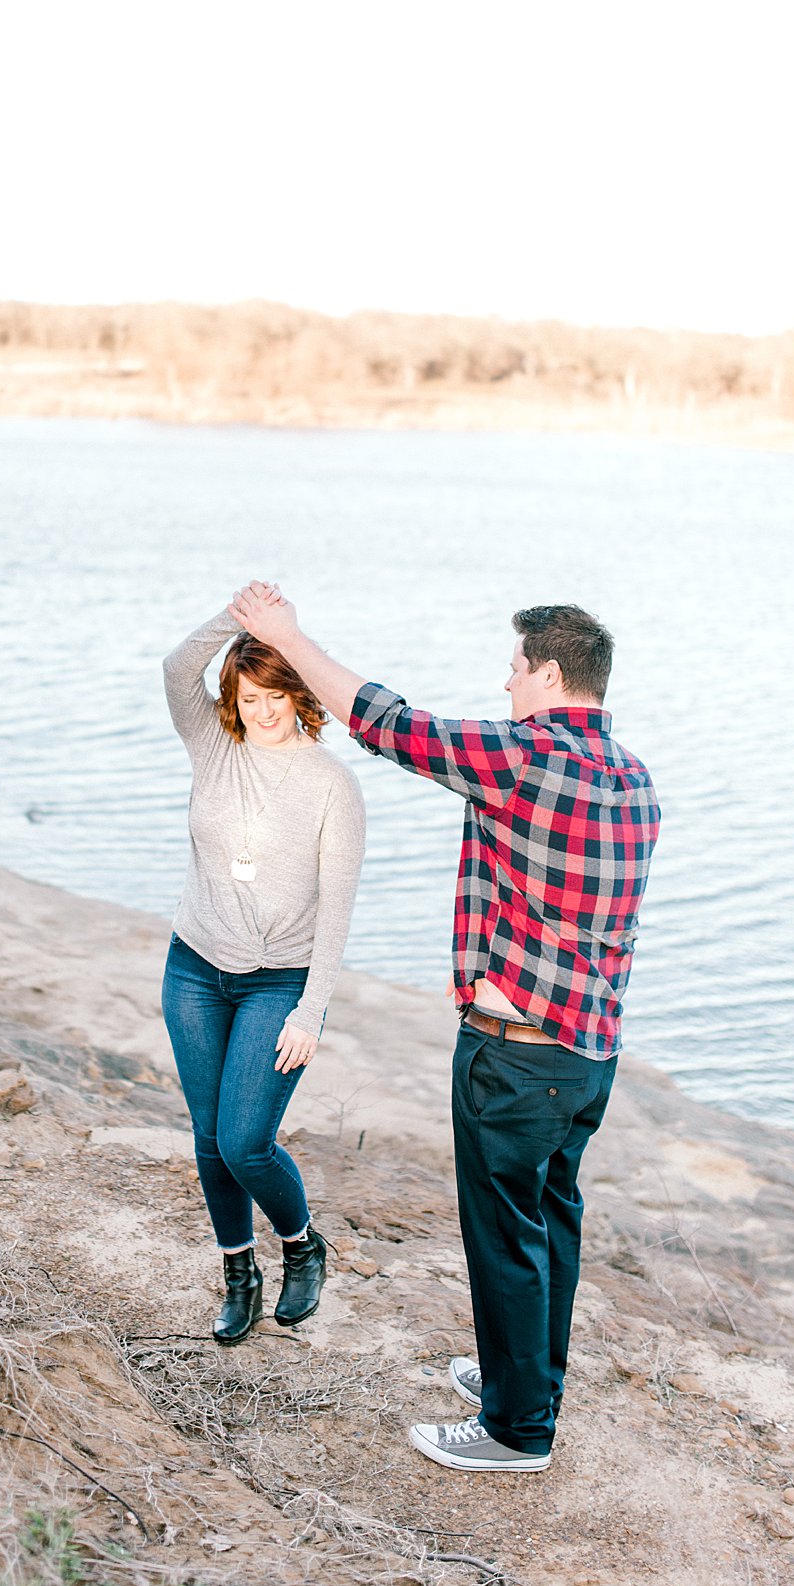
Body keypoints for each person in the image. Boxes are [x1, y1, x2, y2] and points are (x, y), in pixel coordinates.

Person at [227, 582, 660, 1470]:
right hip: (588, 1055)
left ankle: (515, 1432)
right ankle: (526, 1382)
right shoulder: (632, 777)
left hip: (515, 1056)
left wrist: (287, 637)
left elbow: (389, 723)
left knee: (504, 1238)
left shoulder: (529, 758)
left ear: (547, 672)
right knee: (549, 1224)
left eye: (512, 671)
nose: (505, 687)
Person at [162, 601, 366, 1344]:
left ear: (299, 698)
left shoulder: (331, 786)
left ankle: (301, 1242)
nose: (264, 713)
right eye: (250, 699)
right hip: (193, 970)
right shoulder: (213, 747)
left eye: (277, 698)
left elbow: (337, 908)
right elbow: (175, 667)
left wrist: (310, 1011)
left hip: (278, 981)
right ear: (233, 700)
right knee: (209, 1138)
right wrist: (234, 617)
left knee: (246, 1140)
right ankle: (237, 1274)